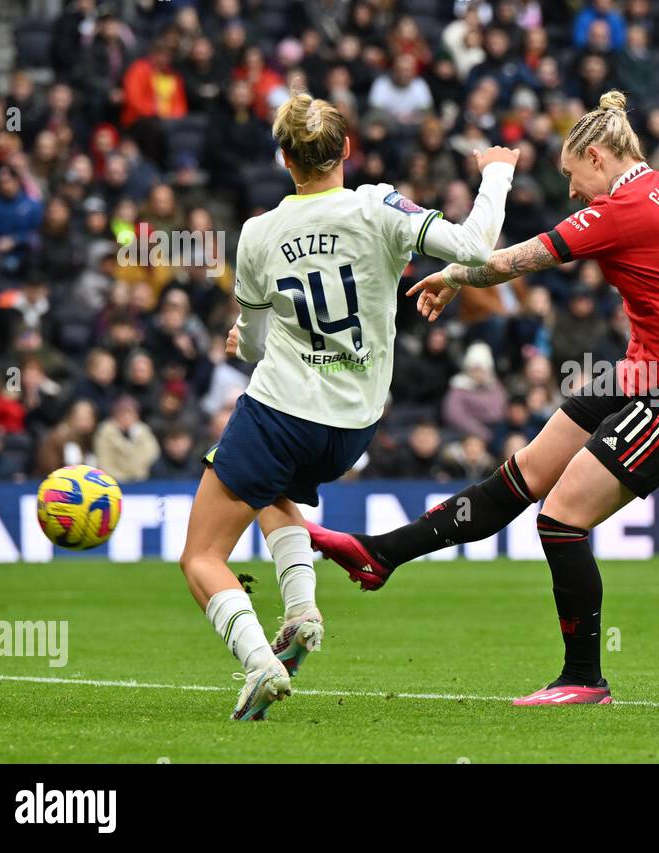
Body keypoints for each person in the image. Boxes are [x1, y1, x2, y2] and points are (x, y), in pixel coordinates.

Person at [306, 90, 659, 706]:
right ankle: (383, 554)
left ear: (596, 156)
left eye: (570, 175)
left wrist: (452, 276)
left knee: (560, 520)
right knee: (525, 474)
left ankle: (585, 677)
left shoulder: (620, 210)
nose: (571, 191)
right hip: (638, 374)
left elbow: (505, 262)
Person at [179, 92, 518, 721]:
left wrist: (240, 338)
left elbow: (252, 348)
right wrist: (497, 170)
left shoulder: (258, 233)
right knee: (267, 492)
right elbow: (473, 246)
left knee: (200, 556)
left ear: (284, 159)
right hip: (353, 426)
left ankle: (260, 665)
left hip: (281, 409)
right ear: (348, 150)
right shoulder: (378, 206)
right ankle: (302, 611)